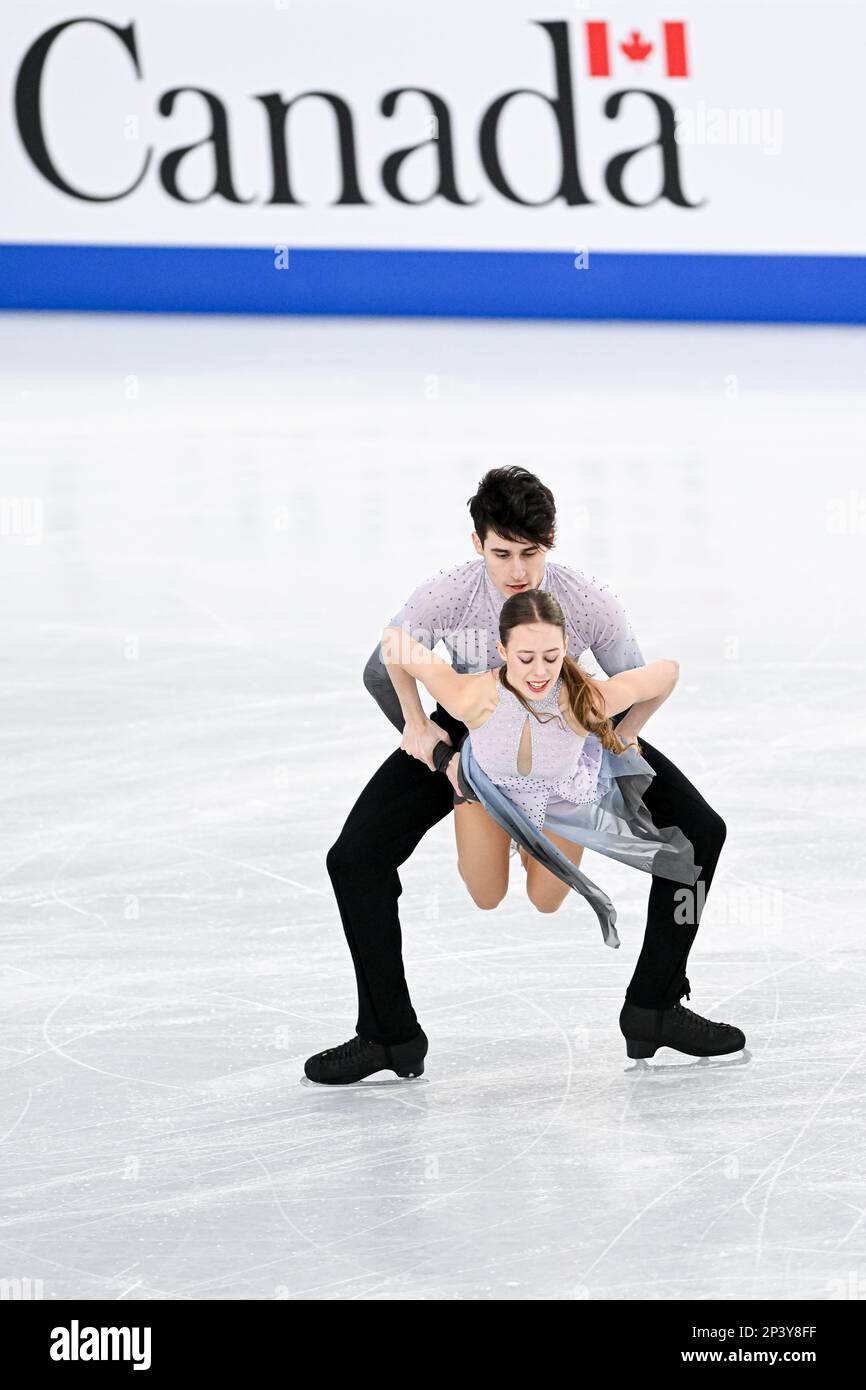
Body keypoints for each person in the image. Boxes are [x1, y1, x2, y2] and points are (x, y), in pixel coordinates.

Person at [304, 467, 744, 1084]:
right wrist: (419, 731)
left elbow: (630, 681)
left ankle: (656, 1006)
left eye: (530, 553)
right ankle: (388, 1033)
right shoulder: (449, 595)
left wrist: (609, 743)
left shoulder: (589, 601)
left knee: (700, 835)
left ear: (552, 540)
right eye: (501, 552)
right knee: (354, 859)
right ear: (477, 542)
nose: (517, 571)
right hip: (469, 731)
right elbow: (384, 664)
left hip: (566, 731)